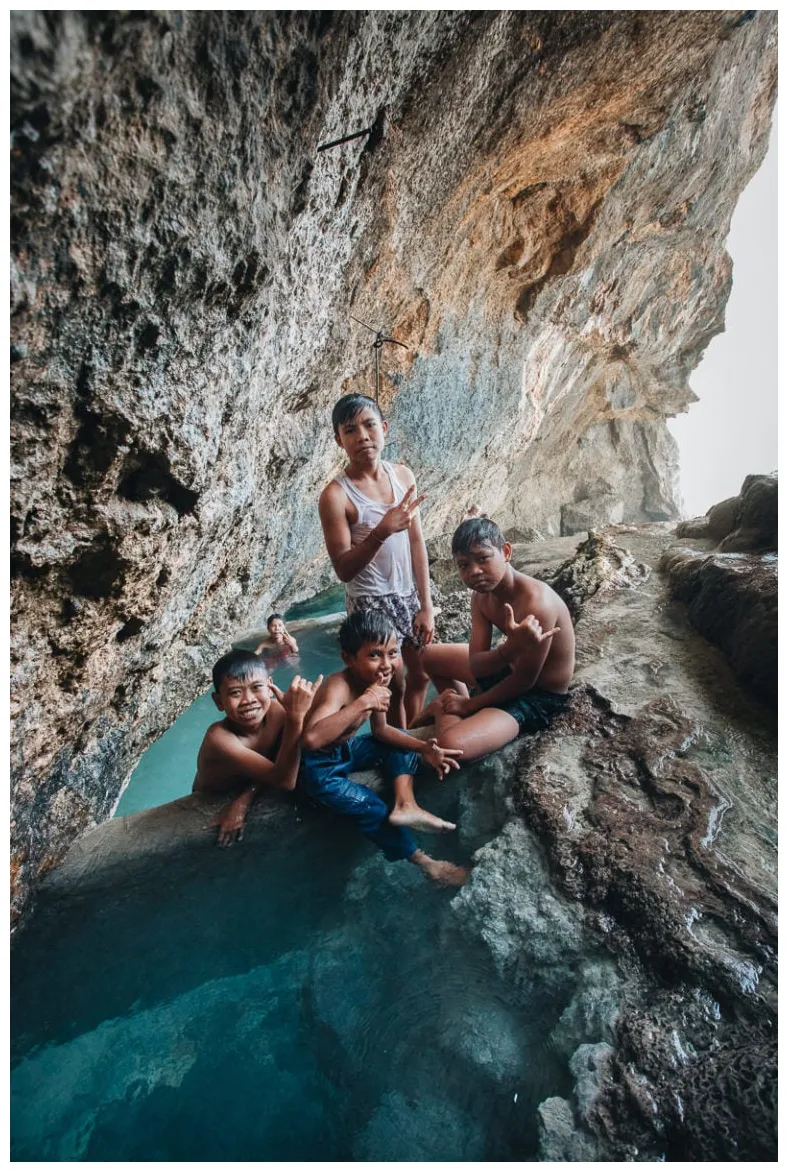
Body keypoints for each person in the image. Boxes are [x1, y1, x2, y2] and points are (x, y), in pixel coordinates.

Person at [301, 610, 469, 886]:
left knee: (397, 740)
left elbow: (382, 731)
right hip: (317, 768)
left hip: (345, 751)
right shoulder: (338, 686)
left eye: (392, 653)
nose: (386, 664)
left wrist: (424, 747)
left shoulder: (376, 682)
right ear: (348, 658)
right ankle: (427, 864)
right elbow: (311, 739)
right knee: (371, 806)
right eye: (374, 655)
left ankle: (406, 804)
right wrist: (364, 702)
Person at [416, 517, 574, 761]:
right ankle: (456, 707)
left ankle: (446, 711)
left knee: (449, 746)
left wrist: (471, 704)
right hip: (508, 670)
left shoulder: (537, 604)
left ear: (506, 552)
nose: (474, 572)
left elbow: (525, 681)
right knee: (428, 655)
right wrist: (510, 650)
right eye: (464, 565)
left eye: (483, 558)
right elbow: (476, 664)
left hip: (535, 698)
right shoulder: (481, 597)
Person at [318, 393, 433, 727]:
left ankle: (411, 736)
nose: (362, 436)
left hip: (407, 595)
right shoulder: (336, 495)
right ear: (339, 440)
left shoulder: (403, 476)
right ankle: (397, 751)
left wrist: (426, 605)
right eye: (350, 430)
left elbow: (416, 543)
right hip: (370, 602)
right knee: (390, 688)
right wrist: (382, 530)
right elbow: (343, 568)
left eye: (369, 425)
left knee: (421, 675)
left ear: (384, 428)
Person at [194, 649, 321, 846]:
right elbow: (285, 781)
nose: (248, 700)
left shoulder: (277, 713)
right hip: (211, 799)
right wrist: (296, 718)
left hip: (254, 782)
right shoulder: (219, 738)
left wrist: (246, 797)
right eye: (235, 692)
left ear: (270, 688)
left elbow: (285, 763)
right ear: (218, 701)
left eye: (256, 687)